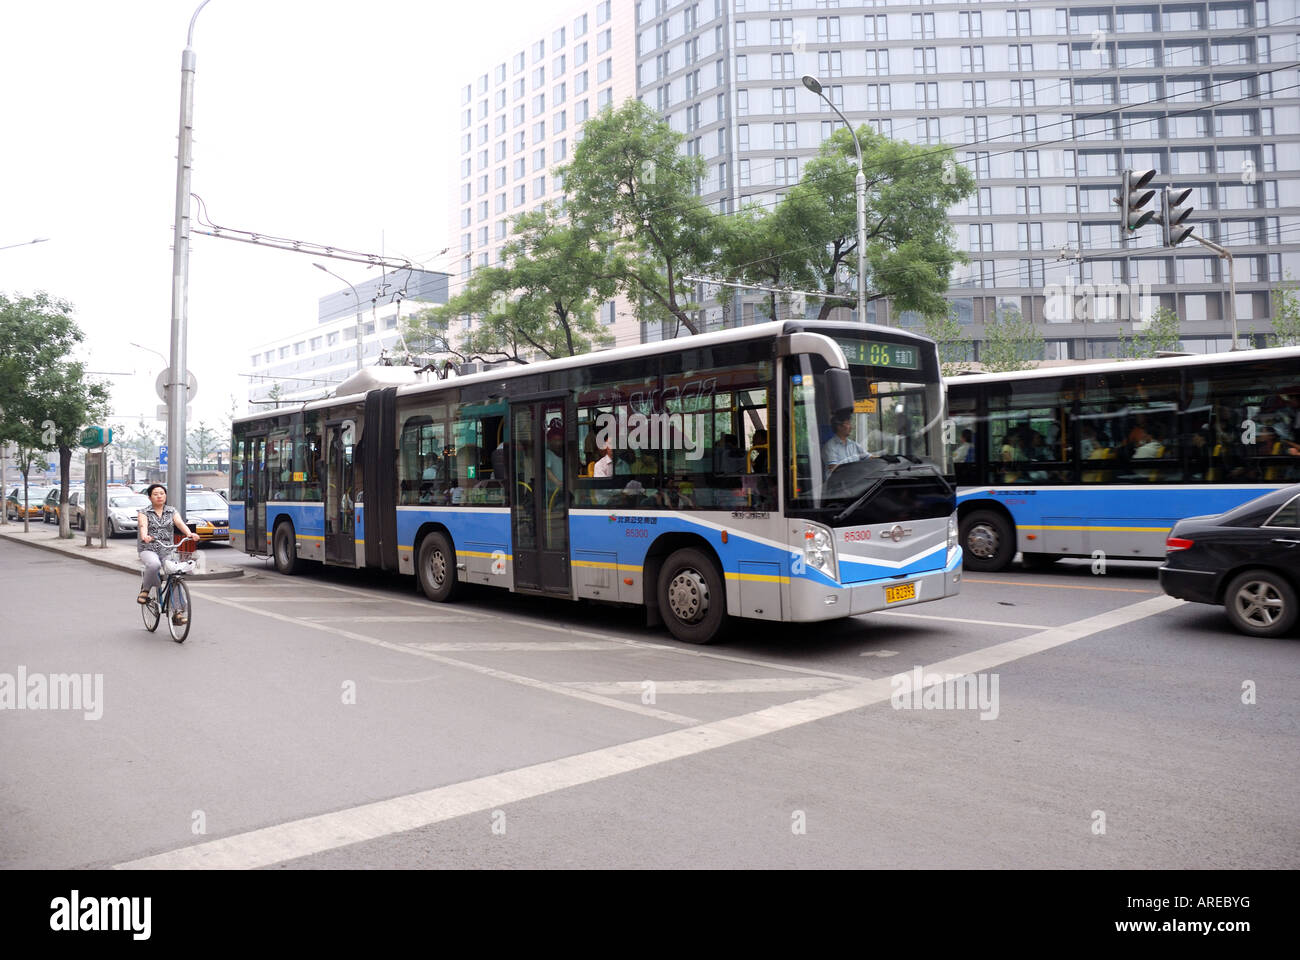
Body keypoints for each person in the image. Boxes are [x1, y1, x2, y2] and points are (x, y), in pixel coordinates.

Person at [136, 483, 197, 624]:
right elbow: (143, 526)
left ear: (166, 496)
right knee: (154, 564)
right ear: (150, 497)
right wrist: (145, 536)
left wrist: (189, 533)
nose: (159, 496)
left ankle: (178, 613)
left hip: (168, 549)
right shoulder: (144, 512)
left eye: (162, 493)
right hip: (148, 548)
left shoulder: (171, 511)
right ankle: (145, 590)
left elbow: (180, 523)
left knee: (175, 575)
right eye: (156, 494)